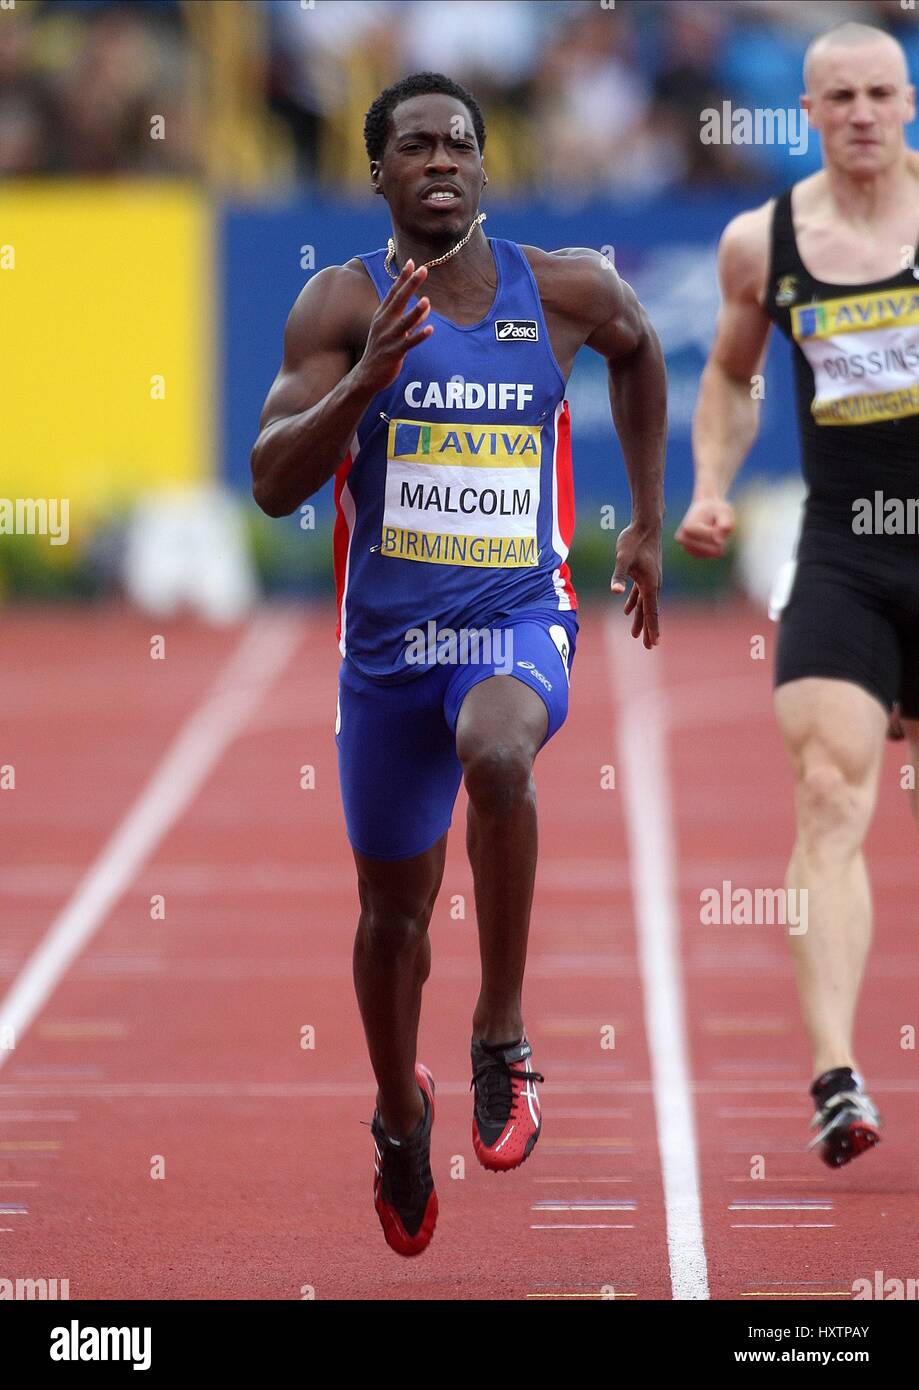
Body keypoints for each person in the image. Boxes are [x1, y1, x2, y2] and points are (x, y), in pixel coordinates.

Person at [252, 71, 665, 1255]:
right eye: (414, 146)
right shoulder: (342, 305)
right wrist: (366, 382)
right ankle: (397, 1112)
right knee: (392, 919)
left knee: (498, 752)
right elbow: (275, 477)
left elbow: (638, 352)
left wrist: (640, 518)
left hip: (510, 618)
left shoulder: (565, 289)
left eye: (460, 144)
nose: (440, 159)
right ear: (376, 173)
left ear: (485, 165)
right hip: (387, 651)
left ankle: (499, 1032)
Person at [676, 23, 919, 1167]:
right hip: (845, 556)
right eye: (842, 97)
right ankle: (836, 1075)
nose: (864, 112)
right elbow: (730, 375)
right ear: (809, 113)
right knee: (826, 788)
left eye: (882, 92)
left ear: (907, 102)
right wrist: (712, 484)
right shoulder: (761, 242)